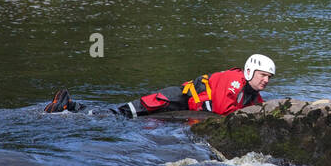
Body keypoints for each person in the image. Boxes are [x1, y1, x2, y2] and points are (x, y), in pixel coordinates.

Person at [42, 54, 276, 117]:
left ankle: (72, 106)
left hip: (181, 108)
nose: (266, 80)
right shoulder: (234, 81)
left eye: (269, 77)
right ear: (249, 71)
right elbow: (222, 111)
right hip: (176, 98)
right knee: (122, 113)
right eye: (263, 75)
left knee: (128, 115)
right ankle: (70, 107)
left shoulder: (252, 95)